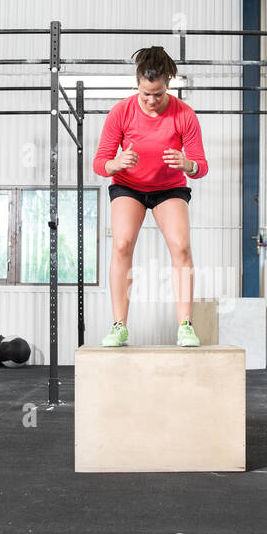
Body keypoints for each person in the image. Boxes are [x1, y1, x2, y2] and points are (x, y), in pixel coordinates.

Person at [92, 46, 208, 347]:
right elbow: (100, 161)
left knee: (181, 247)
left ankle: (185, 325)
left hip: (169, 187)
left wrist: (188, 164)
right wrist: (115, 164)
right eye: (145, 94)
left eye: (157, 94)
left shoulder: (184, 114)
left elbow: (201, 166)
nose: (152, 101)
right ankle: (119, 325)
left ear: (167, 83)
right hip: (128, 185)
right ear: (137, 84)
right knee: (121, 244)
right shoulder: (121, 112)